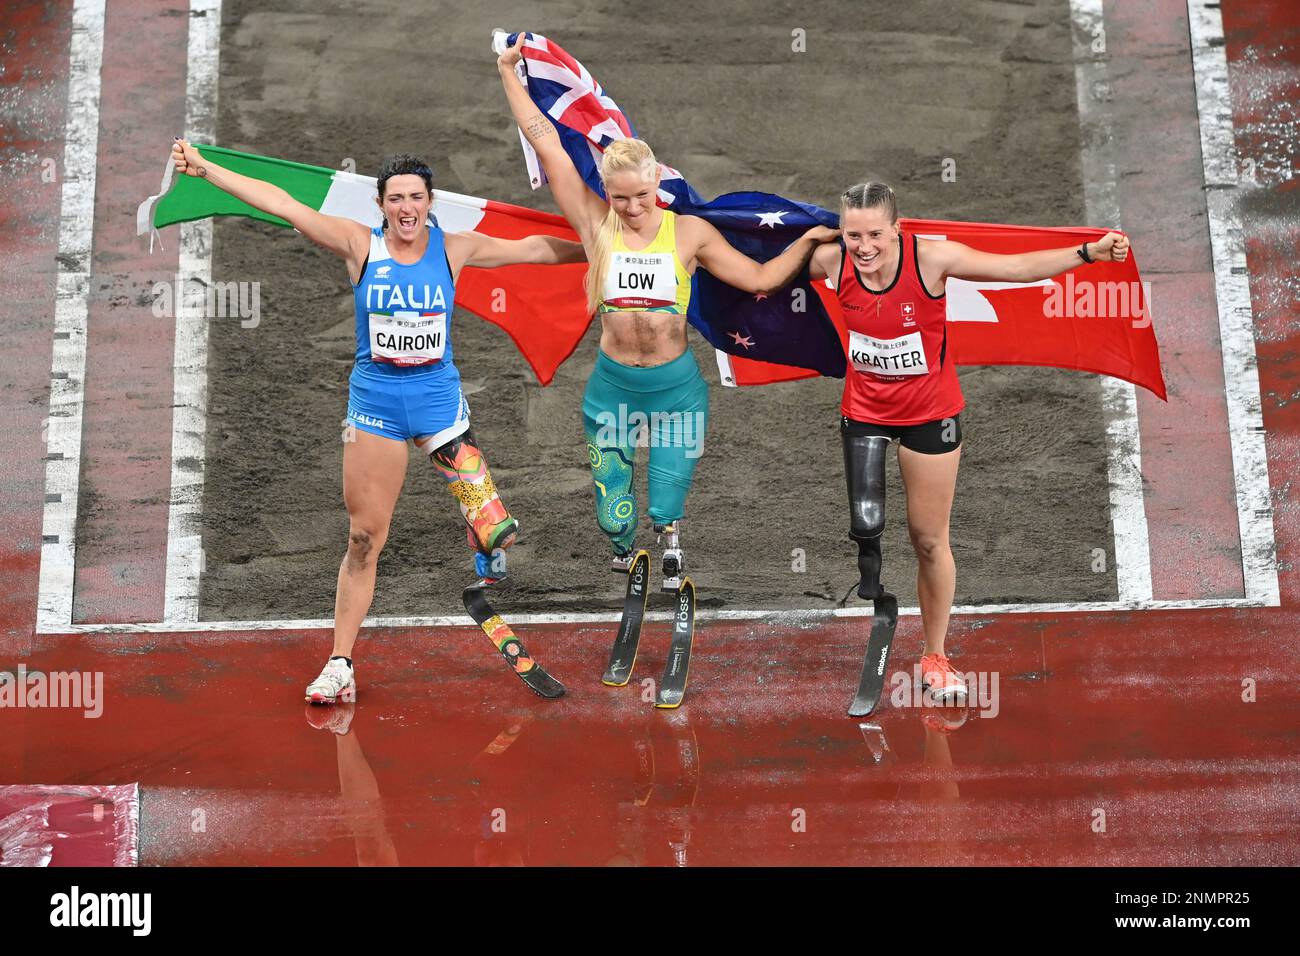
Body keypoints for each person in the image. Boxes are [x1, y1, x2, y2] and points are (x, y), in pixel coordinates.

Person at [169, 140, 585, 704]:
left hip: (438, 404)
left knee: (492, 522)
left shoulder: (454, 249)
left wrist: (605, 248)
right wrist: (208, 170)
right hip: (376, 408)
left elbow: (535, 249)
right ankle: (341, 663)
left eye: (416, 197)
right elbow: (283, 204)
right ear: (383, 205)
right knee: (364, 538)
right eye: (396, 199)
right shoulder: (359, 245)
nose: (407, 207)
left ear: (429, 202)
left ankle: (484, 535)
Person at [495, 36, 837, 591]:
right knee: (613, 515)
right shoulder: (594, 226)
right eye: (621, 197)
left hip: (676, 386)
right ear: (605, 189)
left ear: (658, 182)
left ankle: (670, 537)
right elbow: (545, 140)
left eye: (641, 196)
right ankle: (624, 551)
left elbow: (758, 280)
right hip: (613, 387)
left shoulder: (692, 233)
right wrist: (510, 71)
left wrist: (804, 244)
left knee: (667, 494)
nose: (631, 208)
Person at [807, 181, 1130, 702]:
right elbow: (757, 277)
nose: (864, 247)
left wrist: (1088, 253)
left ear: (897, 228)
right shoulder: (831, 261)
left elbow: (1014, 269)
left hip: (930, 415)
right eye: (852, 235)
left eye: (874, 235)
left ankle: (934, 655)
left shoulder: (933, 260)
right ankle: (876, 596)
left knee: (929, 538)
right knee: (864, 528)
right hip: (863, 412)